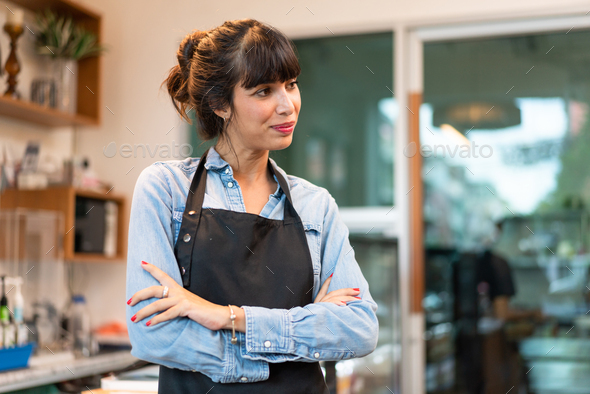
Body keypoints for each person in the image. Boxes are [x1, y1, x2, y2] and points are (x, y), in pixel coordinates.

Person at [125, 18, 379, 393]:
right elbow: (154, 336)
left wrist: (226, 317)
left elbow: (359, 330)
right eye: (263, 91)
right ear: (219, 104)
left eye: (291, 85)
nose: (287, 105)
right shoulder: (166, 190)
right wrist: (298, 334)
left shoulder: (316, 206)